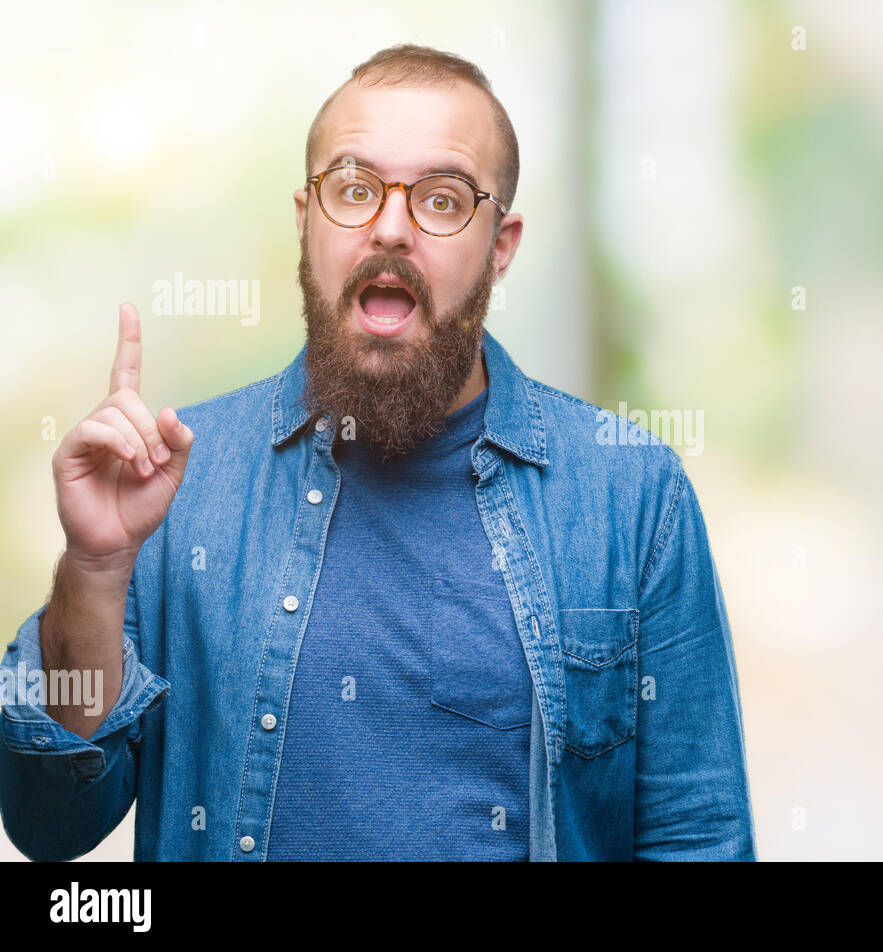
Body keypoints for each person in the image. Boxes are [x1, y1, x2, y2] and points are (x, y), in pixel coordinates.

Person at [0, 44, 756, 861]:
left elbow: (699, 837)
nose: (389, 227)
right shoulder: (176, 485)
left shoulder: (633, 496)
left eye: (441, 200)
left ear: (502, 244)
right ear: (305, 221)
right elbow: (48, 825)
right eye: (354, 190)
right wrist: (94, 572)